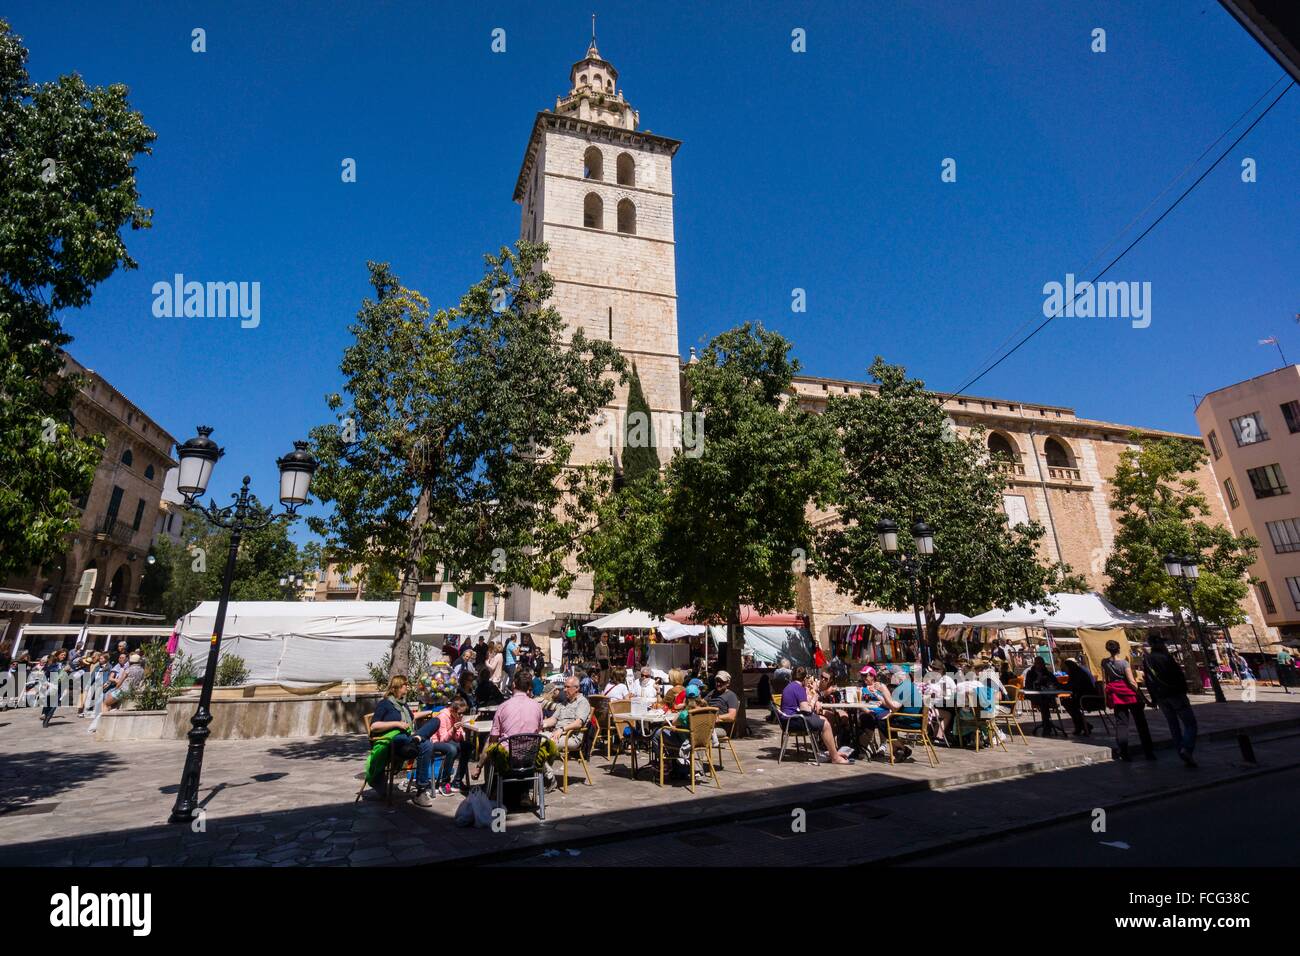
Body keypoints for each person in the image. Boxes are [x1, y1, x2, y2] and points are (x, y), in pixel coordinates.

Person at [368, 676, 440, 806]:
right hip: (394, 742)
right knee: (421, 742)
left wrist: (432, 712)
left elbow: (413, 717)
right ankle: (417, 739)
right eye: (405, 685)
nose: (407, 687)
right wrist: (397, 724)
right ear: (397, 687)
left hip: (408, 740)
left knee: (433, 730)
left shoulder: (403, 704)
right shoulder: (385, 704)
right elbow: (374, 726)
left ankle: (420, 792)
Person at [472, 669, 545, 783]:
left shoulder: (503, 707)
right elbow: (539, 729)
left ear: (514, 684)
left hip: (508, 757)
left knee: (489, 742)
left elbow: (494, 737)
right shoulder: (537, 706)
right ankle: (524, 792)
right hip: (531, 755)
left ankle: (489, 785)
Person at [1143, 636, 1198, 767]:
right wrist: (1183, 689)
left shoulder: (1147, 660)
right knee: (1190, 724)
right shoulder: (1166, 657)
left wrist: (1153, 698)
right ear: (1160, 645)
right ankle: (1187, 748)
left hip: (1161, 697)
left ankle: (1181, 753)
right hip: (1175, 694)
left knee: (1173, 726)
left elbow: (1148, 680)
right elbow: (1178, 675)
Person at [779, 666, 849, 764]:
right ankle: (835, 758)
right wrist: (814, 700)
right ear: (804, 679)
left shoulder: (789, 686)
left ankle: (833, 752)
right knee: (826, 724)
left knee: (824, 718)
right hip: (794, 721)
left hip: (787, 720)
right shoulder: (799, 688)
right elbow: (806, 709)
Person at [1101, 639, 1155, 761]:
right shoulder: (1124, 663)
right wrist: (1143, 697)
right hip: (1129, 693)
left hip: (1116, 694)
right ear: (1119, 649)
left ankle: (1124, 752)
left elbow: (1105, 679)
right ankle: (1149, 752)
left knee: (1121, 724)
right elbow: (1131, 681)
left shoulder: (1104, 662)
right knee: (1141, 723)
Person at [542, 675, 592, 787]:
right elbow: (553, 719)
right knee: (532, 739)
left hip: (571, 737)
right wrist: (540, 724)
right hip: (557, 734)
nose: (564, 690)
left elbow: (579, 723)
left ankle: (548, 777)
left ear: (577, 688)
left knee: (540, 744)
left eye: (567, 687)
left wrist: (562, 729)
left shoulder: (582, 702)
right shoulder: (564, 702)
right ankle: (546, 775)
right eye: (564, 687)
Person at [427, 696, 470, 794]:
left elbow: (457, 739)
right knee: (452, 749)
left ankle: (457, 781)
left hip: (449, 741)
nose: (461, 715)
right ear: (452, 710)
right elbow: (443, 739)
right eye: (459, 713)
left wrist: (462, 733)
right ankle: (445, 782)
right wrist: (453, 729)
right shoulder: (443, 716)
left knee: (467, 746)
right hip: (436, 742)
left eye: (463, 713)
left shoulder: (457, 717)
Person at [1060, 658, 1098, 736]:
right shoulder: (1078, 671)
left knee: (1068, 703)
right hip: (1082, 697)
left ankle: (1082, 726)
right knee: (1067, 702)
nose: (1064, 670)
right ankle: (1083, 726)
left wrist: (1059, 686)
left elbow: (1072, 687)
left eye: (1065, 668)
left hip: (1087, 698)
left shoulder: (1078, 674)